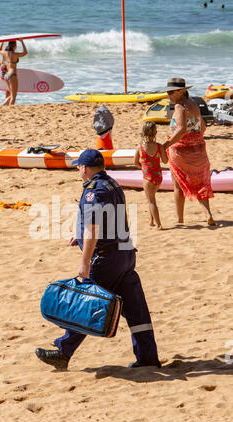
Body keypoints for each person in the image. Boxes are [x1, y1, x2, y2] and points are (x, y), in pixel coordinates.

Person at [35, 149, 161, 371]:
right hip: (125, 253)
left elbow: (94, 228)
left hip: (107, 258)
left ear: (84, 168)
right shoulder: (112, 184)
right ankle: (148, 356)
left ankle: (63, 352)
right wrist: (80, 235)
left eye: (78, 167)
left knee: (87, 302)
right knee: (136, 309)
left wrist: (84, 263)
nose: (78, 170)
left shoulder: (94, 190)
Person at [162, 78, 215, 226]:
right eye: (167, 92)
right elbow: (202, 127)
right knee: (201, 182)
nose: (168, 95)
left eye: (171, 92)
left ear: (181, 91)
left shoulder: (179, 107)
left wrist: (166, 144)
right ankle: (208, 214)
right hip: (199, 149)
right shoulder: (194, 104)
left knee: (178, 185)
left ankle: (179, 219)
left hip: (180, 151)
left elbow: (181, 130)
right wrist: (194, 140)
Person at [134, 121, 168, 230]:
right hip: (158, 176)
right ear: (155, 133)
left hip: (147, 177)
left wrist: (143, 167)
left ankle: (158, 224)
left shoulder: (140, 147)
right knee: (151, 197)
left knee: (151, 201)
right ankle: (151, 220)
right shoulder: (159, 147)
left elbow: (135, 162)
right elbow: (165, 161)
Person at [0, 39, 27, 105]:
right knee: (13, 97)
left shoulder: (5, 53)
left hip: (6, 75)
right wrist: (22, 42)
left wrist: (2, 42)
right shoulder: (15, 54)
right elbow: (25, 52)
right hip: (12, 74)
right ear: (15, 46)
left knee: (11, 94)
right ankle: (4, 107)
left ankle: (2, 106)